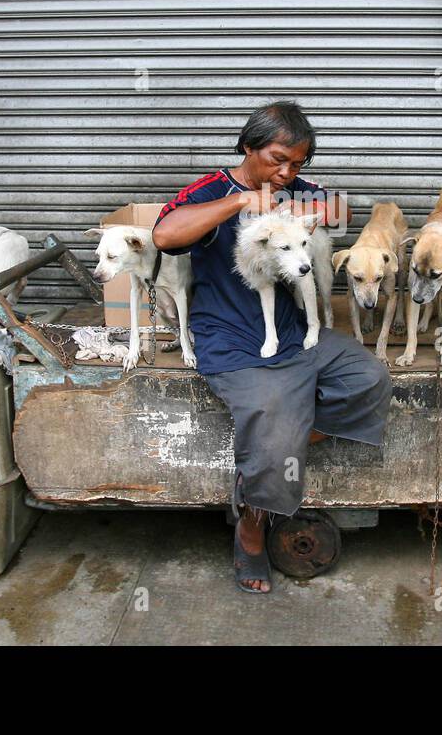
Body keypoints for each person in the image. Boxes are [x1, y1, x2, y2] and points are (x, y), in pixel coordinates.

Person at [152, 101, 393, 593]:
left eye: (297, 164)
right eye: (277, 159)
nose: (287, 172)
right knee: (273, 420)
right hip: (232, 340)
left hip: (293, 332)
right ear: (249, 146)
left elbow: (340, 211)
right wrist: (241, 204)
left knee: (368, 379)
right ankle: (251, 527)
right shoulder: (213, 189)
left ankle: (270, 456)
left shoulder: (294, 190)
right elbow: (164, 234)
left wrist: (296, 208)